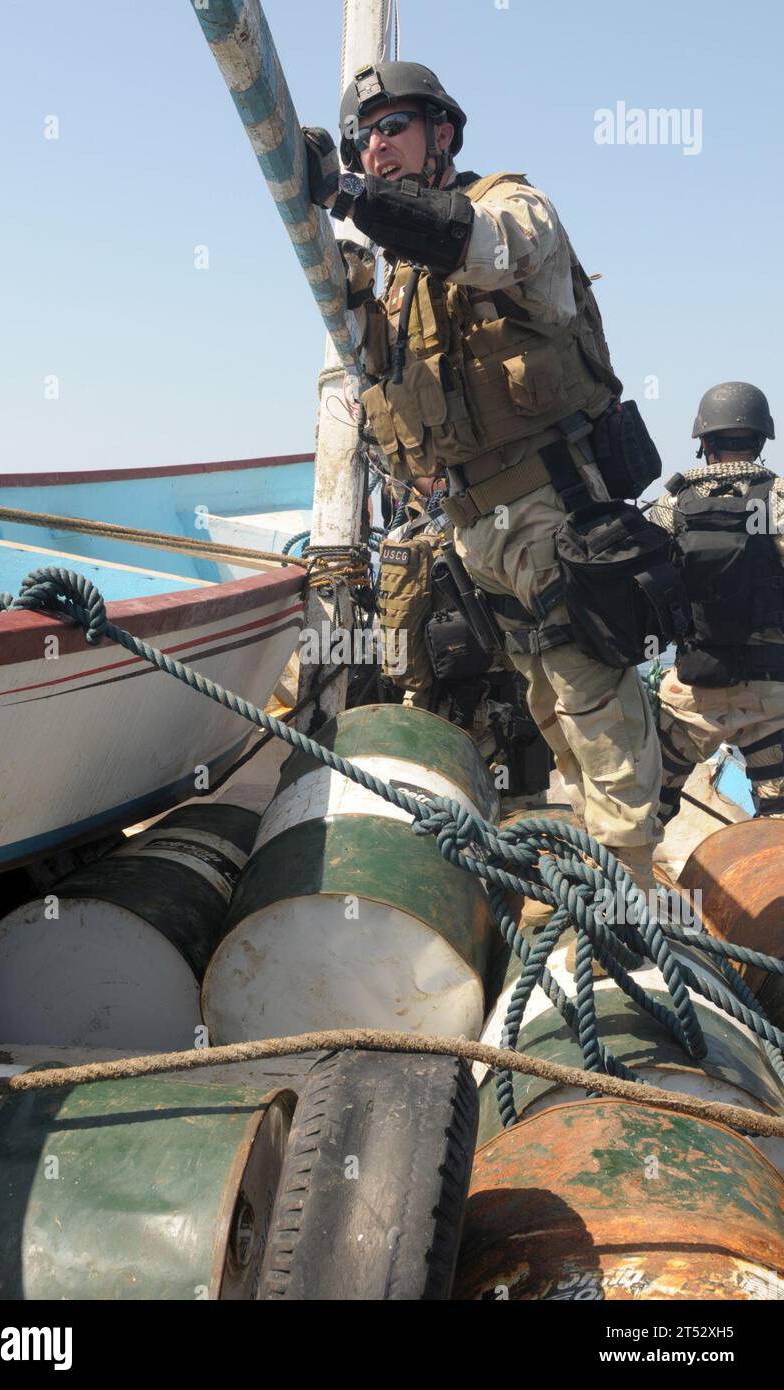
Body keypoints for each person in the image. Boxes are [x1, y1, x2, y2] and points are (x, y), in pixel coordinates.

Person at [304, 61, 663, 888]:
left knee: (593, 695)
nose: (375, 146)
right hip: (472, 526)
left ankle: (631, 896)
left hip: (552, 504)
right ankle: (589, 875)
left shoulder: (509, 207)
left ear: (442, 134)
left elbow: (483, 246)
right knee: (544, 702)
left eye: (392, 126)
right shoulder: (397, 279)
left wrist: (347, 195)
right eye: (363, 136)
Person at [648, 383, 784, 822]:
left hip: (692, 692)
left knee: (643, 815)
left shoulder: (671, 507)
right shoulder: (780, 500)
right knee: (779, 819)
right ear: (761, 440)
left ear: (704, 442)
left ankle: (623, 883)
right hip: (772, 698)